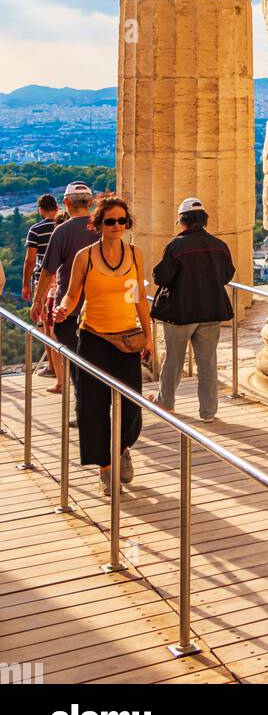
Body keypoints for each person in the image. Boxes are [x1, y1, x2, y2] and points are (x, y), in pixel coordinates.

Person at [55, 194, 152, 494]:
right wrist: (63, 308)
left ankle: (122, 447)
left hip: (126, 338)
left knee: (132, 402)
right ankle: (105, 468)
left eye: (122, 221)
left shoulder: (135, 254)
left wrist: (148, 337)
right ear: (98, 224)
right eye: (110, 221)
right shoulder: (85, 257)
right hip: (94, 336)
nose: (117, 225)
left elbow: (139, 298)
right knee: (94, 406)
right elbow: (72, 295)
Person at [150, 197, 235, 422]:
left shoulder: (176, 246)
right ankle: (208, 412)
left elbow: (162, 276)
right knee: (207, 362)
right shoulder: (220, 245)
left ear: (182, 221)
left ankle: (165, 402)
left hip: (180, 312)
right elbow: (228, 274)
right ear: (204, 220)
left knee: (174, 360)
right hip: (211, 311)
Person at [33, 182, 99, 420]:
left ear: (66, 203)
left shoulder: (61, 231)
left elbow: (48, 271)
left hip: (68, 310)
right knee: (97, 362)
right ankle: (100, 409)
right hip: (100, 307)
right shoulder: (102, 227)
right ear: (90, 202)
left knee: (77, 362)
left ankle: (84, 411)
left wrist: (38, 301)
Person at [22, 194, 61, 387]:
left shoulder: (36, 229)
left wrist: (26, 284)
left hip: (44, 279)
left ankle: (53, 367)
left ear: (40, 210)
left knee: (45, 325)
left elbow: (30, 261)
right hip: (64, 279)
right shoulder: (65, 225)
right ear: (56, 206)